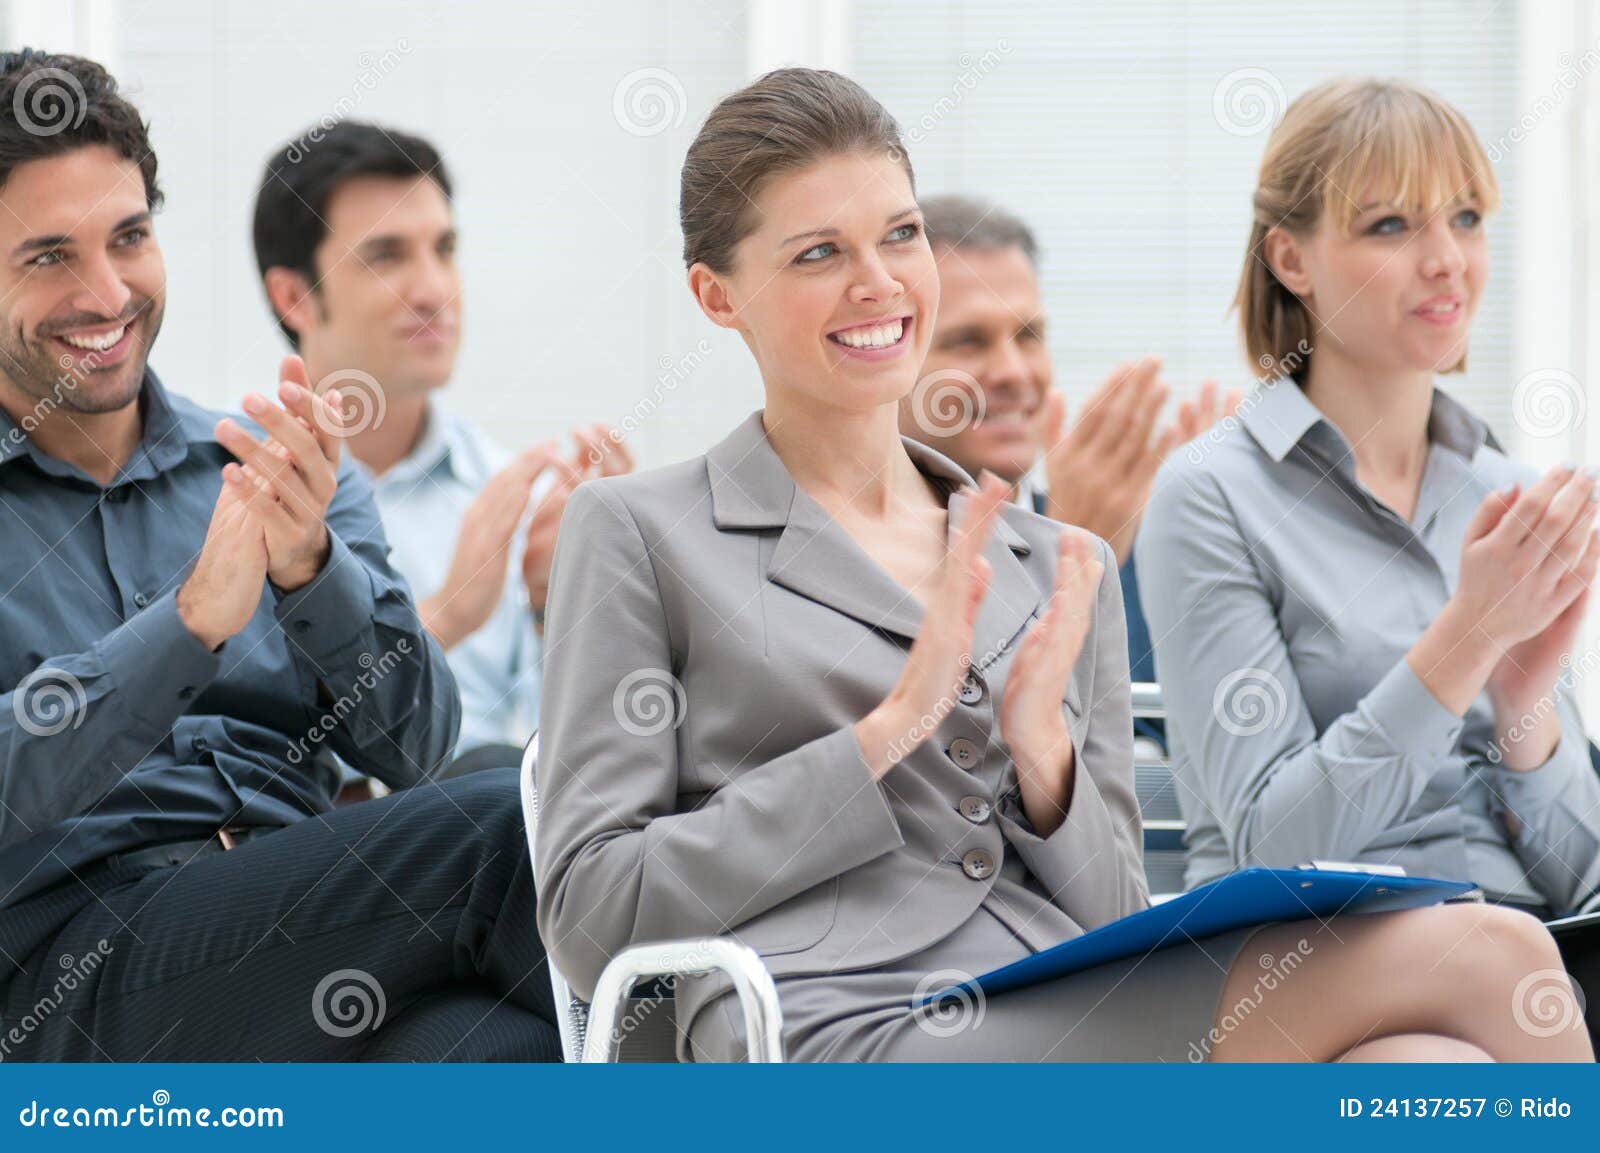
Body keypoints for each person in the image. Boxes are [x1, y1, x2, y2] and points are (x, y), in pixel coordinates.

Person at [534, 66, 1591, 1062]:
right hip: (827, 1028)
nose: (879, 282)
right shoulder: (639, 530)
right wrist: (883, 734)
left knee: (1427, 1070)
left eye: (901, 234)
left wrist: (1045, 762)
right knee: (1495, 955)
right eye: (818, 253)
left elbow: (1115, 916)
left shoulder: (1056, 557)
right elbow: (588, 919)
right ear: (718, 296)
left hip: (1052, 998)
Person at [0, 50, 559, 1061]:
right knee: (513, 821)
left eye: (129, 237)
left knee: (507, 1051)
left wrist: (313, 570)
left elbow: (416, 746)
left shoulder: (276, 467)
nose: (108, 291)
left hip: (308, 936)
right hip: (74, 976)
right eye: (48, 257)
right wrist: (185, 629)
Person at [1137, 77, 1600, 1049]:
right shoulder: (1210, 495)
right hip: (1305, 972)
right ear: (1290, 258)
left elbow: (1581, 880)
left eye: (1465, 218)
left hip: (1526, 972)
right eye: (1390, 225)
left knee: (1448, 1063)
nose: (1446, 260)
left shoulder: (1502, 495)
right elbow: (1274, 846)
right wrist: (1465, 638)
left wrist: (1523, 702)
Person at [252, 121, 633, 771]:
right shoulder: (228, 498)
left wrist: (561, 606)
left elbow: (579, 769)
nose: (434, 290)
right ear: (295, 297)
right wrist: (448, 615)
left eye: (444, 248)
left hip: (501, 816)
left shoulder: (514, 494)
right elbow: (249, 750)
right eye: (387, 256)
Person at [901, 195, 1240, 746]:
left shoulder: (1127, 545)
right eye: (967, 340)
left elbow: (1186, 764)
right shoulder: (857, 558)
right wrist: (1065, 577)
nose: (1014, 372)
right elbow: (953, 776)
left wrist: (1219, 558)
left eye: (1028, 336)